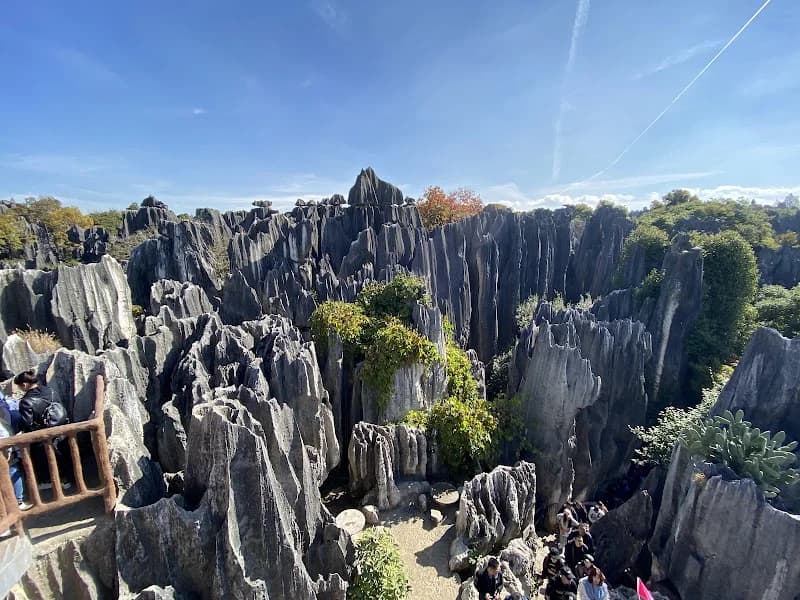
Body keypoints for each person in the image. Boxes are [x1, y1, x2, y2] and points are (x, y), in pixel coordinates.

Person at [14, 370, 72, 491]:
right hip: (61, 430)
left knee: (43, 459)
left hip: (43, 437)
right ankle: (66, 479)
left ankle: (48, 481)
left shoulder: (26, 402)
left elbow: (27, 425)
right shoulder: (50, 390)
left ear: (24, 385)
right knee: (62, 456)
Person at [0, 384, 32, 511]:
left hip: (6, 445)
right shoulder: (6, 407)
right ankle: (16, 502)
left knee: (12, 470)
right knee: (12, 470)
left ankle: (14, 502)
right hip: (7, 444)